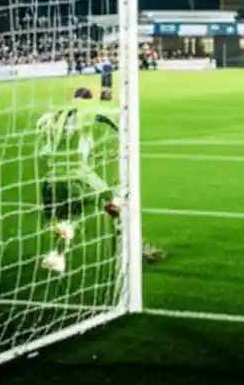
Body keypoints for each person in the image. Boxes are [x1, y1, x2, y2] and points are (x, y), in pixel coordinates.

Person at [36, 87, 162, 273]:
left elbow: (41, 128)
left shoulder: (55, 115)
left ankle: (57, 257)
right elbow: (111, 117)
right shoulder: (89, 110)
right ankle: (138, 250)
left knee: (65, 221)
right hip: (79, 174)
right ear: (89, 99)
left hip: (52, 178)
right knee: (119, 205)